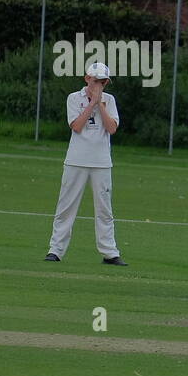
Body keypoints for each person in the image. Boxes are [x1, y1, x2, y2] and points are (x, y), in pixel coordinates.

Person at [44, 61, 127, 266]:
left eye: (103, 82)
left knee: (104, 210)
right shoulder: (74, 98)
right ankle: (56, 250)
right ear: (87, 78)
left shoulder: (110, 100)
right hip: (76, 160)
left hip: (101, 162)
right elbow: (77, 126)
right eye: (95, 80)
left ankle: (110, 253)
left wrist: (100, 103)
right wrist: (91, 103)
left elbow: (112, 128)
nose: (99, 85)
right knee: (66, 206)